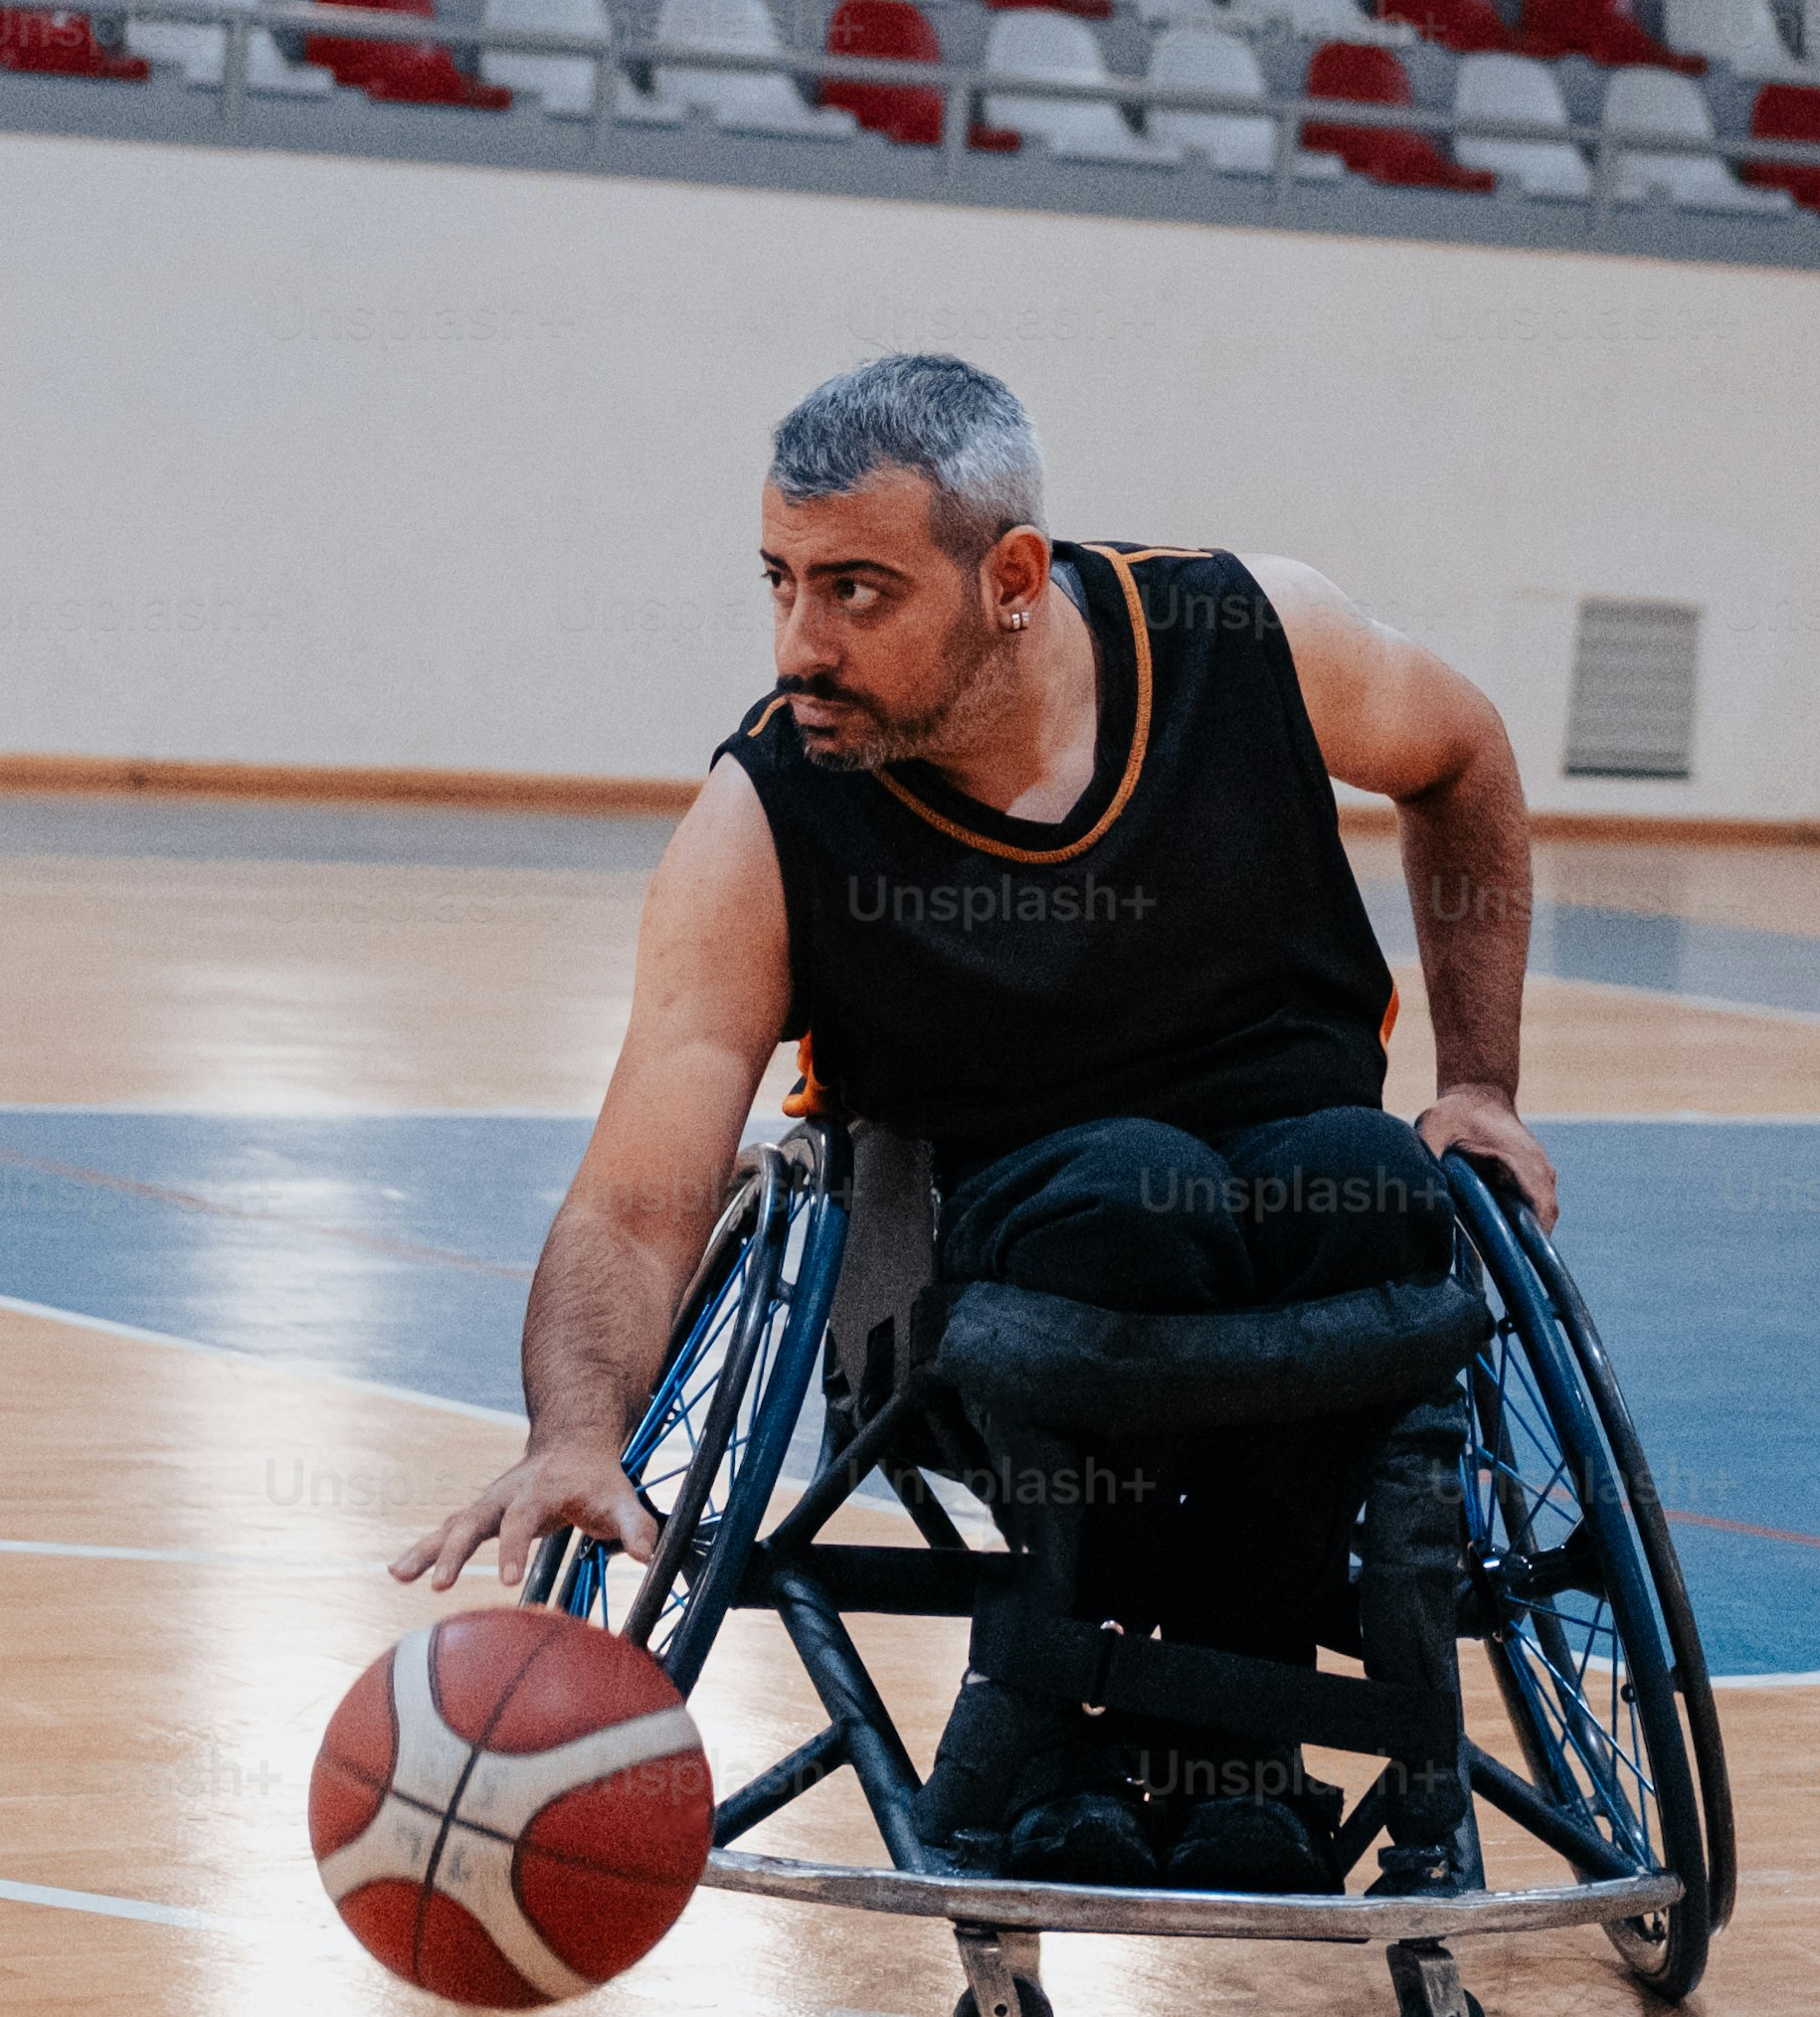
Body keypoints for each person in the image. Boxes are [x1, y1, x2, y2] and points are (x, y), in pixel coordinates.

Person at [395, 351, 1545, 1889]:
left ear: (1009, 577)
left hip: (1289, 1196)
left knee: (1362, 1174)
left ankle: (1231, 1742)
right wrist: (579, 1429)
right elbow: (633, 1199)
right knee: (1133, 1193)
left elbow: (1463, 757)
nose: (801, 644)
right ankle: (1107, 1706)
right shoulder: (769, 816)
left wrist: (1478, 1083)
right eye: (781, 585)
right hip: (972, 1251)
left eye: (855, 591)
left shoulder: (1239, 632)